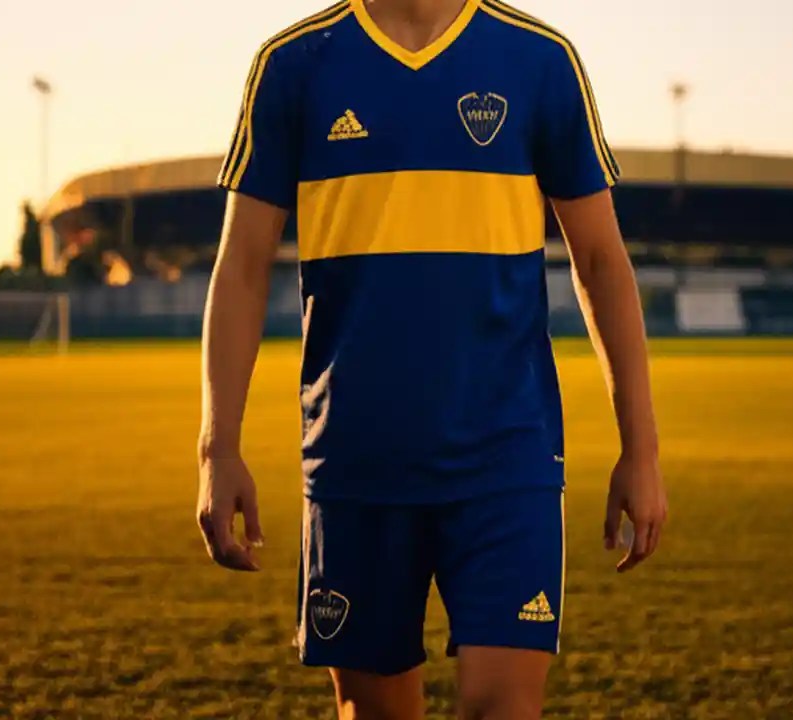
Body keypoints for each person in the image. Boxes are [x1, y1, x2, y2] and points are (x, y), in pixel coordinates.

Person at [197, 0, 666, 717]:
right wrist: (217, 448)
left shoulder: (539, 59)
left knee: (502, 709)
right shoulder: (293, 64)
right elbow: (241, 266)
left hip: (507, 457)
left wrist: (642, 450)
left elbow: (601, 261)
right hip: (356, 460)